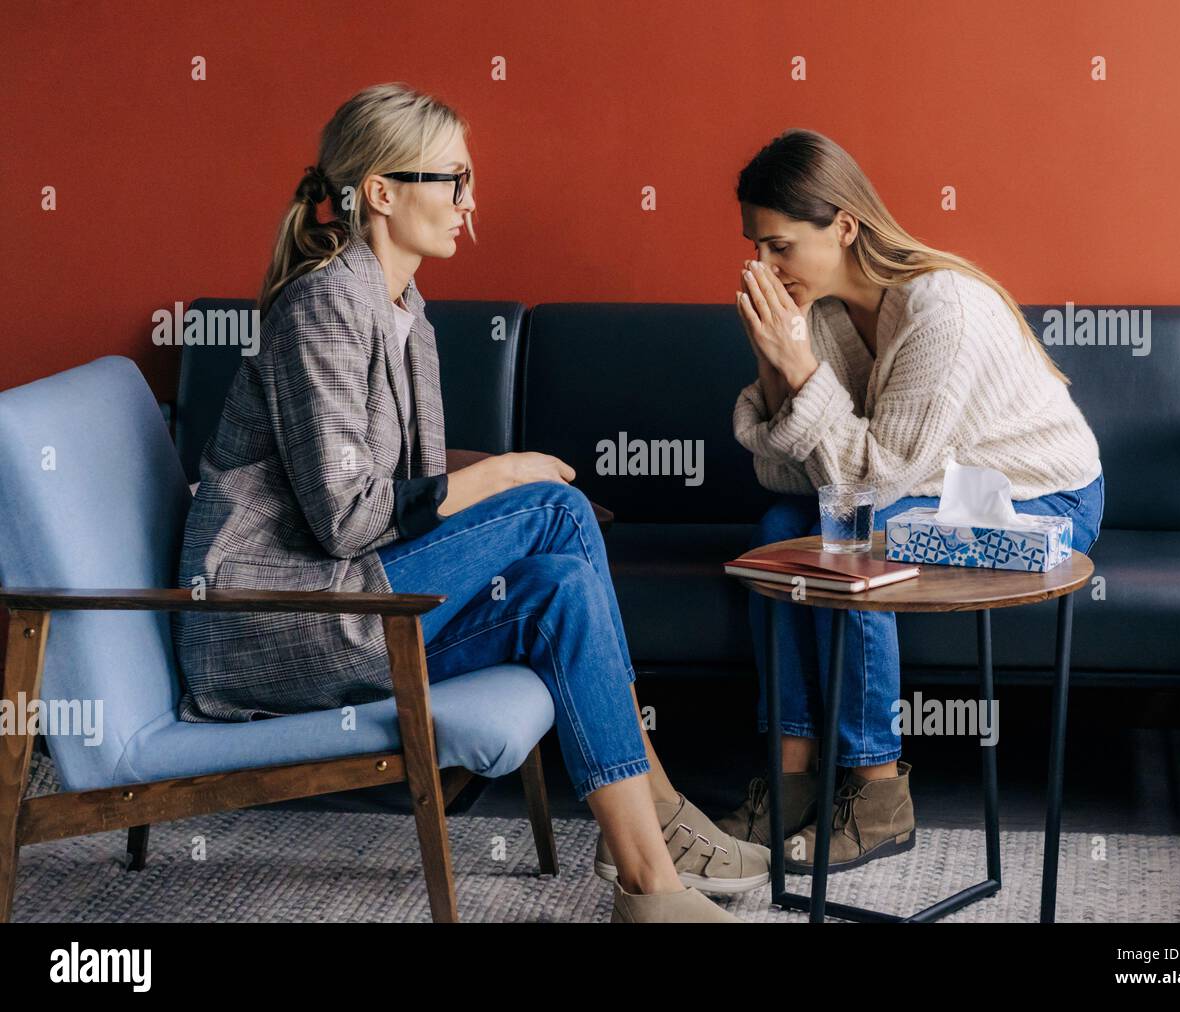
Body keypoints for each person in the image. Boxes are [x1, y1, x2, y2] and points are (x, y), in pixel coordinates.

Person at [171, 82, 768, 922]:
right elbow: (347, 518)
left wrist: (499, 483)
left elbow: (415, 490)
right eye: (452, 180)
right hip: (276, 621)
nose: (470, 203)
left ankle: (647, 878)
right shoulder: (323, 309)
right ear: (380, 192)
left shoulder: (407, 312)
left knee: (557, 583)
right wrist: (502, 477)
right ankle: (661, 813)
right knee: (551, 511)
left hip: (363, 602)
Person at [721, 128, 1105, 875]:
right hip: (925, 490)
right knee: (777, 532)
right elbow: (792, 478)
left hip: (1040, 496)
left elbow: (872, 480)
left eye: (779, 246)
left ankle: (877, 794)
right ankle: (793, 775)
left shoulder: (942, 312)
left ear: (844, 226)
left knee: (856, 543)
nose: (762, 266)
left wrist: (801, 369)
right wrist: (779, 362)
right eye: (754, 246)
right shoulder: (825, 312)